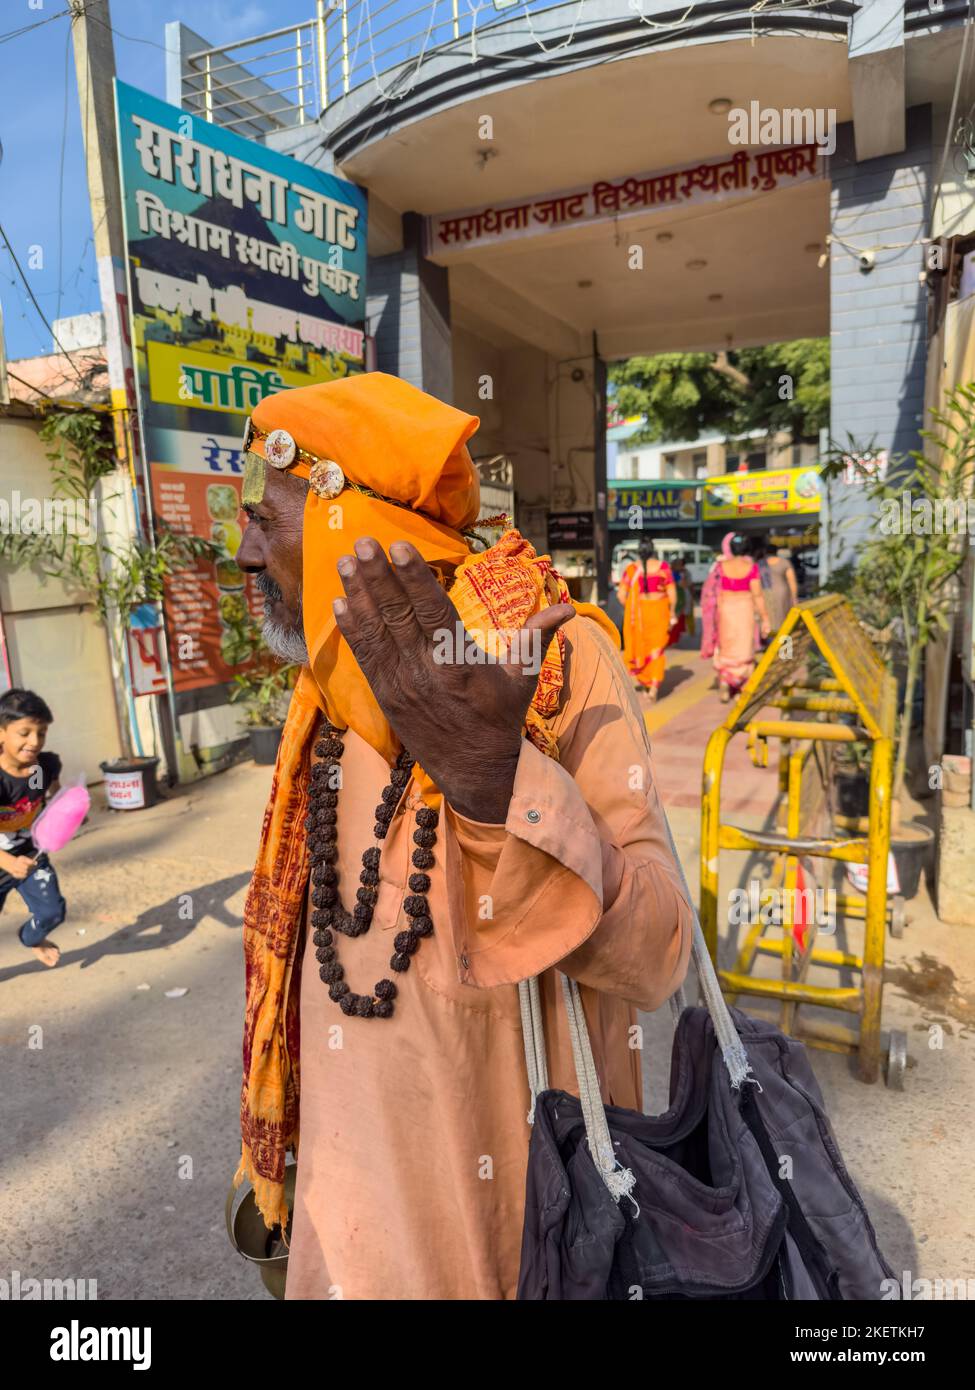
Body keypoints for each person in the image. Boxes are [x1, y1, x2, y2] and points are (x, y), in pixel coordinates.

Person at [232, 373, 693, 1300]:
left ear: (343, 530)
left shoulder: (554, 658)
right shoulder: (322, 691)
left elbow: (658, 957)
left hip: (515, 1224)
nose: (241, 554)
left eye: (262, 520)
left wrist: (496, 779)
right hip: (350, 1222)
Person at [0, 688, 66, 968]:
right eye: (24, 733)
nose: (34, 741)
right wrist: (7, 862)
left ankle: (32, 939)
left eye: (41, 733)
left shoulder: (43, 767)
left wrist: (63, 811)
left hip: (31, 855)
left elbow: (51, 793)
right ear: (1, 733)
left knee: (53, 912)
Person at [699, 533, 770, 702]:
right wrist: (765, 617)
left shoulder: (720, 566)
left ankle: (725, 680)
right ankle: (740, 686)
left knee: (726, 645)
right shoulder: (751, 567)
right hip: (745, 610)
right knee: (744, 646)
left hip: (725, 610)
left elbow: (710, 592)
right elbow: (758, 595)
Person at [615, 537, 677, 703]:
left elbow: (621, 595)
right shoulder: (663, 567)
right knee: (657, 650)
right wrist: (672, 613)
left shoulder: (631, 569)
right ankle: (654, 687)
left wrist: (631, 609)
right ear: (653, 550)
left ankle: (646, 682)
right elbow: (672, 594)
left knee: (640, 648)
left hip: (639, 616)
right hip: (659, 613)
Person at [749, 537, 798, 637]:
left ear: (765, 552)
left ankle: (769, 637)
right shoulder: (784, 562)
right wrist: (794, 597)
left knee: (768, 615)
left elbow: (755, 581)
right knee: (783, 615)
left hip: (765, 591)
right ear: (776, 551)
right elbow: (792, 581)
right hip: (782, 591)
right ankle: (782, 636)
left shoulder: (760, 564)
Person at [668, 554, 696, 644]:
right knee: (677, 617)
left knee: (678, 617)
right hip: (677, 598)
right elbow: (683, 584)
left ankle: (674, 636)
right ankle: (673, 637)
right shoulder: (675, 574)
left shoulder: (672, 573)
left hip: (678, 598)